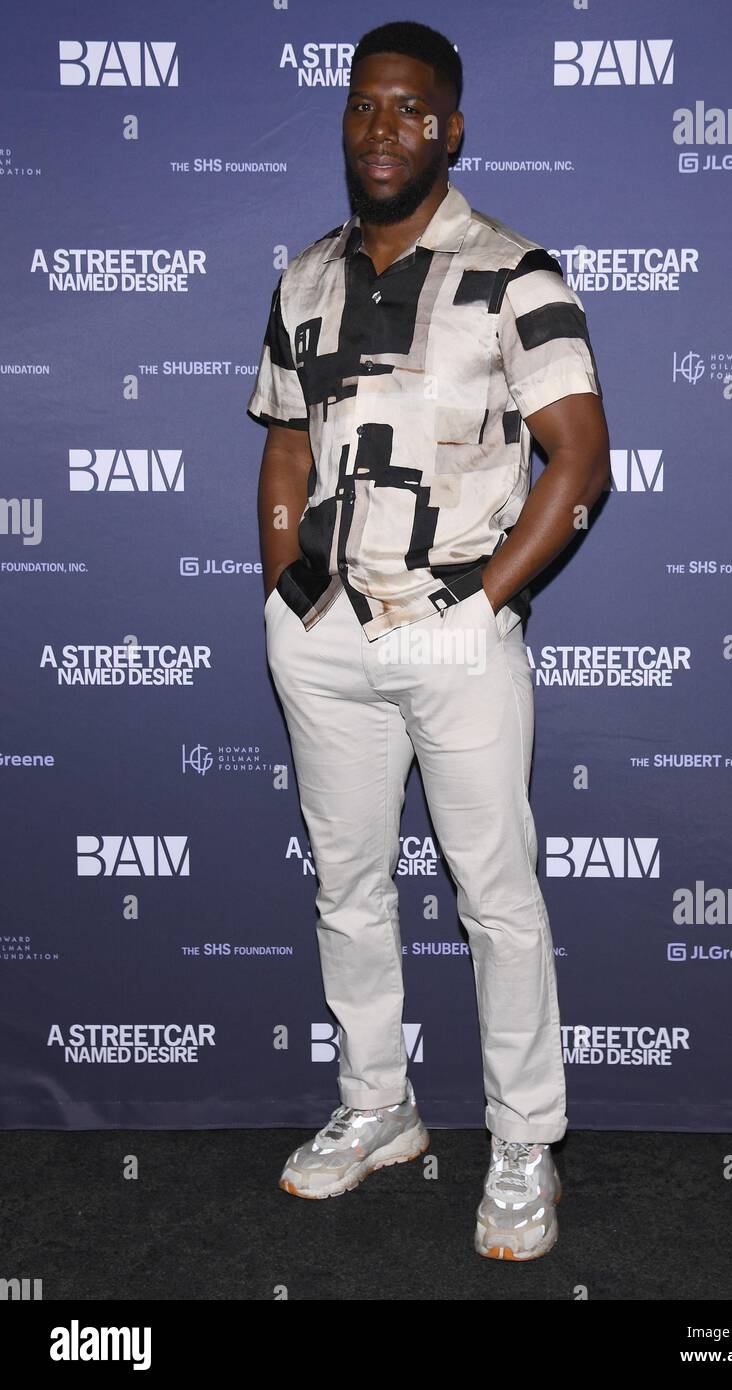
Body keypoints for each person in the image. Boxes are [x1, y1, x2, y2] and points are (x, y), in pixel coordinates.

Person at [247, 19, 609, 1261]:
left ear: (449, 126)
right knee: (347, 888)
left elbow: (580, 462)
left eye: (409, 109)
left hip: (454, 629)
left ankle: (522, 1143)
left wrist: (482, 600)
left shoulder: (515, 272)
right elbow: (286, 439)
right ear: (345, 121)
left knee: (495, 899)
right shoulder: (303, 275)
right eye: (363, 106)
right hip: (326, 634)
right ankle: (377, 1105)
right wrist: (283, 582)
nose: (382, 128)